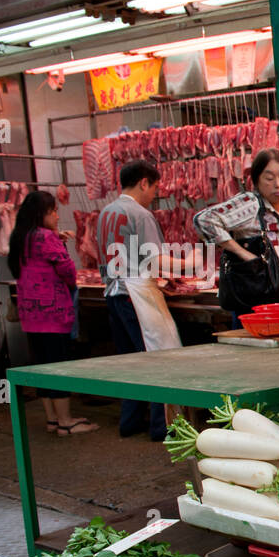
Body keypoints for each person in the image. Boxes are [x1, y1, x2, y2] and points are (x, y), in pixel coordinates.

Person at [97, 159, 182, 441]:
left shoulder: (106, 212)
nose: (155, 193)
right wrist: (189, 264)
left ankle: (130, 422)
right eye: (155, 187)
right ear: (144, 182)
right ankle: (161, 426)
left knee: (131, 362)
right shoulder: (140, 214)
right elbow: (156, 260)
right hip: (135, 294)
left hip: (112, 292)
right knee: (158, 361)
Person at [7, 190, 98, 436]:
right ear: (41, 214)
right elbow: (67, 269)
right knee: (58, 367)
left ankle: (52, 420)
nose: (58, 216)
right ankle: (66, 421)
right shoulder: (46, 237)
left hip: (31, 315)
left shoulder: (21, 237)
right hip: (51, 313)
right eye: (54, 211)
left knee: (41, 367)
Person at [193, 148, 279, 316]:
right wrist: (245, 254)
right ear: (256, 180)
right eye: (269, 178)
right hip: (257, 304)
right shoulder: (251, 204)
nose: (278, 184)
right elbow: (204, 220)